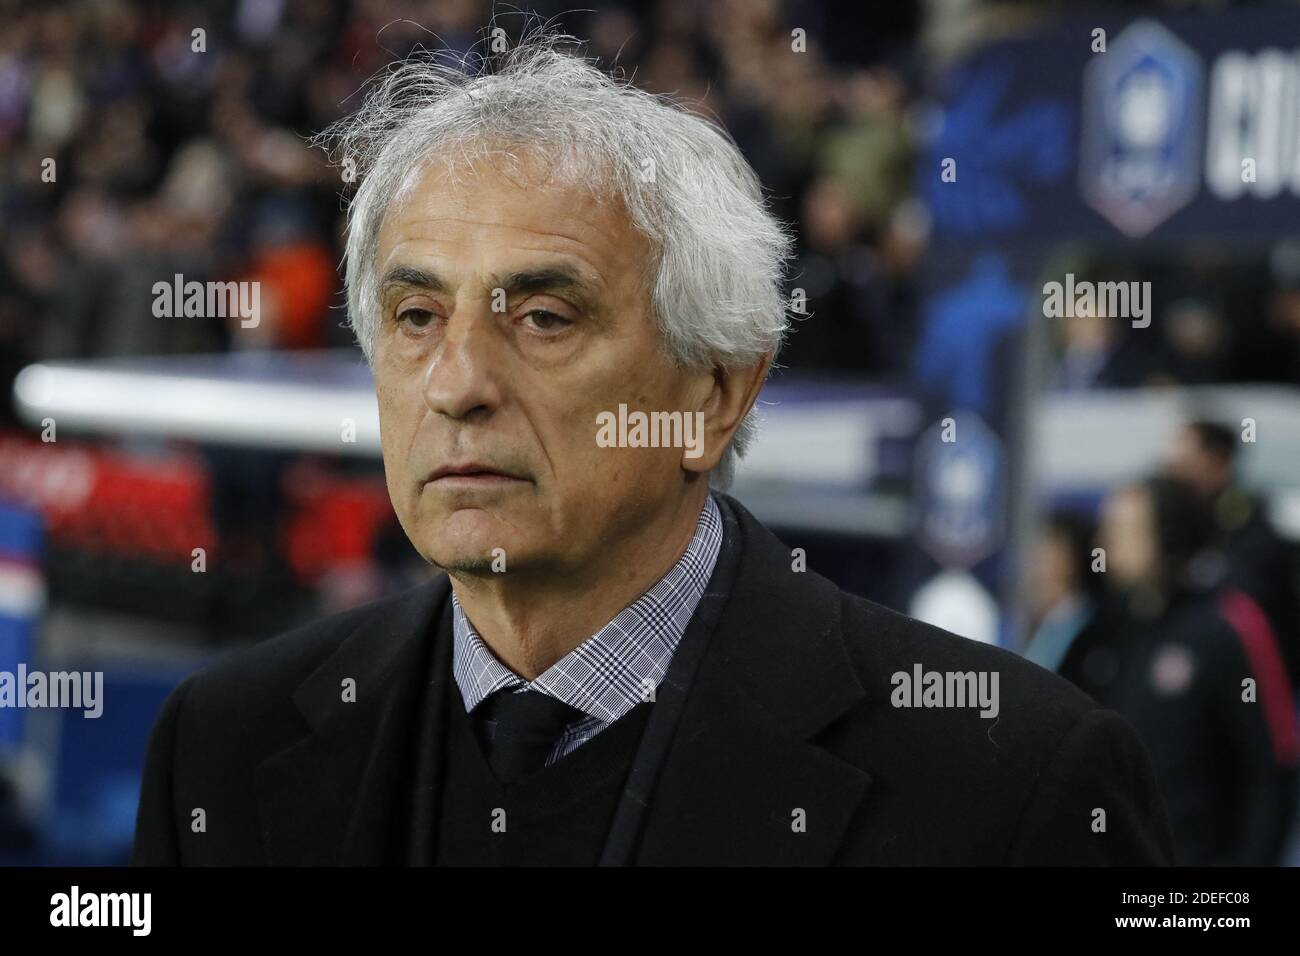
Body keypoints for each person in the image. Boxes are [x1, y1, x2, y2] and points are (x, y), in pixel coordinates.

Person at [131, 35, 1172, 866]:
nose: (455, 384)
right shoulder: (224, 746)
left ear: (714, 392)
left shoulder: (1009, 781)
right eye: (414, 316)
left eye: (541, 316)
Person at [1061, 476, 1296, 865]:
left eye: (1123, 531)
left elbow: (1273, 765)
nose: (1105, 546)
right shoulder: (1104, 630)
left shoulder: (1226, 626)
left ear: (1169, 537)